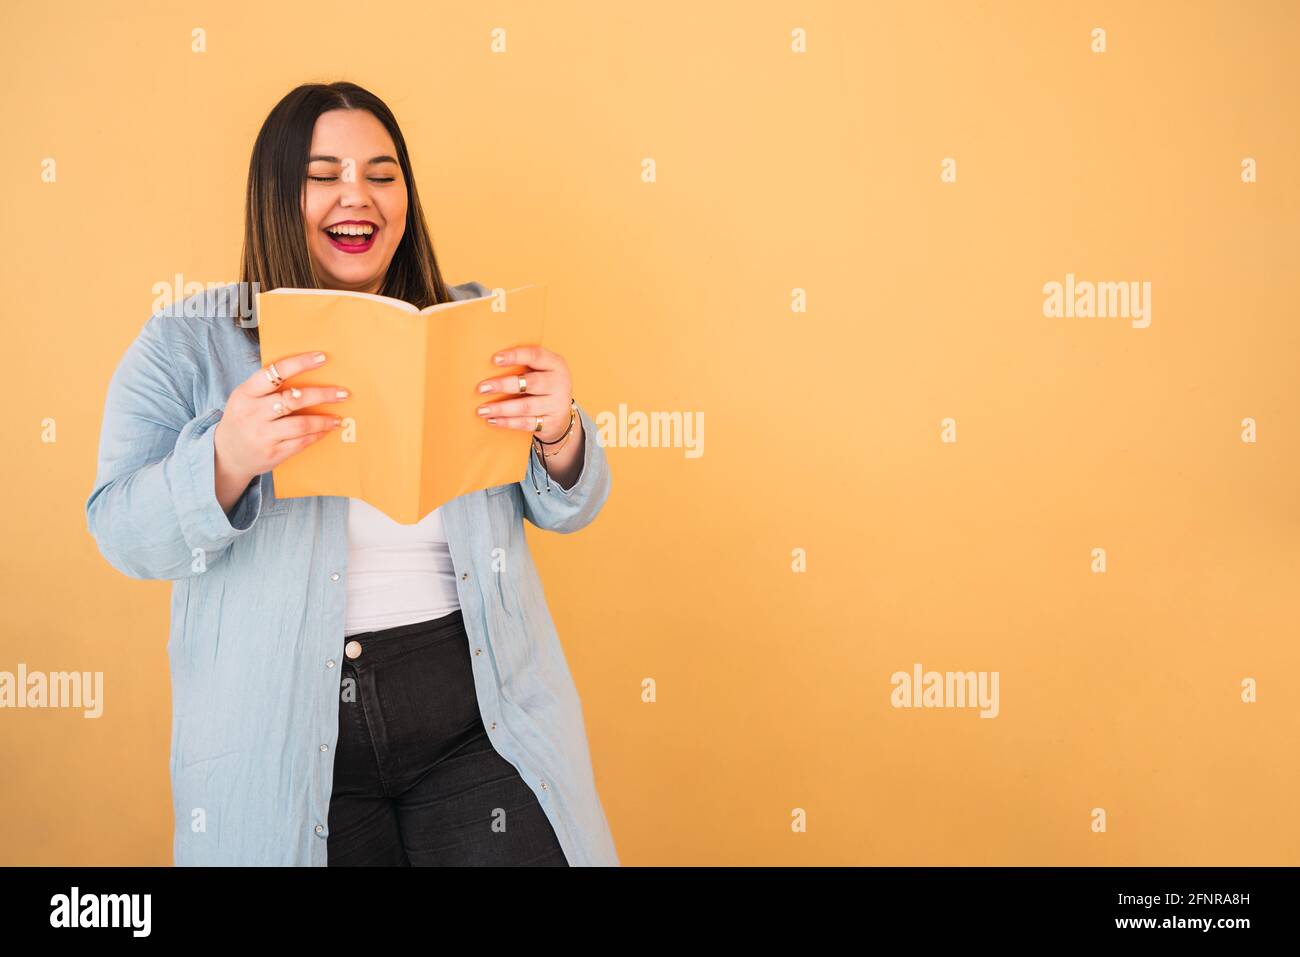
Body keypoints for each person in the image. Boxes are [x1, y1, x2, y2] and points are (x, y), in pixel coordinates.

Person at [84, 81, 619, 866]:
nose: (356, 196)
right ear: (275, 194)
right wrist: (227, 459)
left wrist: (559, 430)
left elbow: (572, 507)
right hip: (284, 736)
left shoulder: (473, 322)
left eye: (381, 172)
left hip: (476, 713)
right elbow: (120, 532)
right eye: (323, 174)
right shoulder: (187, 341)